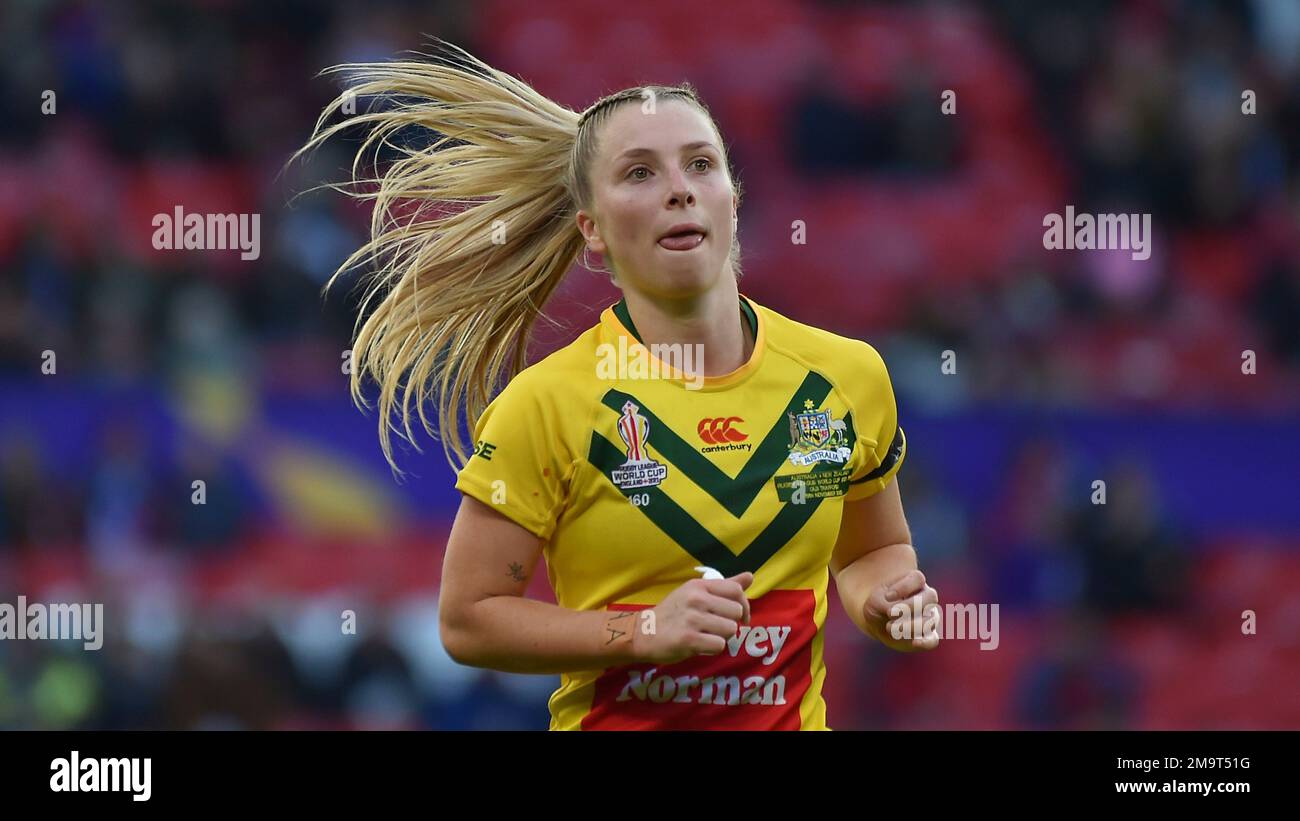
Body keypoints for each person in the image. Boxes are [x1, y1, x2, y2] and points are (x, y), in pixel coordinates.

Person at [297, 40, 940, 730]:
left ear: (731, 197)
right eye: (639, 173)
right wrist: (637, 633)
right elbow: (467, 619)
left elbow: (873, 551)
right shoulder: (548, 404)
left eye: (702, 163)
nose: (679, 188)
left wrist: (886, 601)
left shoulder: (845, 375)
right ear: (593, 231)